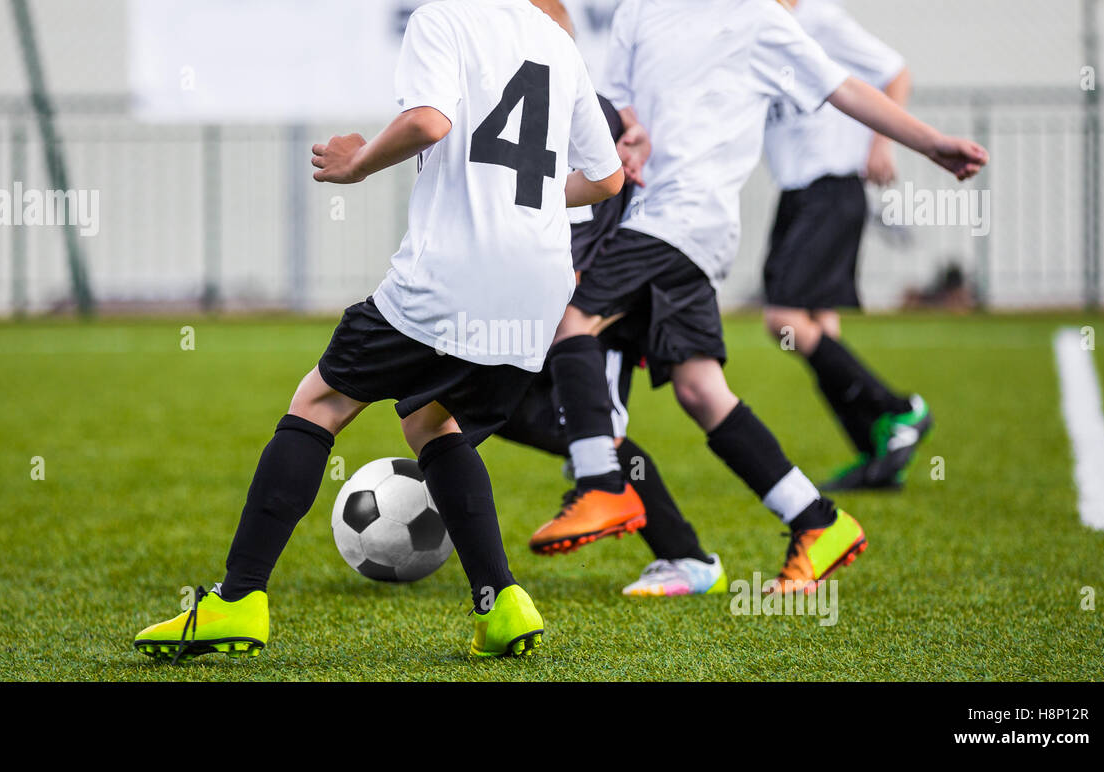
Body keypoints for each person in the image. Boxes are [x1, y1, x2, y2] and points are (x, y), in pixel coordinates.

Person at [132, 0, 624, 661]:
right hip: (537, 287)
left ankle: (236, 600)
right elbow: (606, 178)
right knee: (430, 417)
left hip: (454, 273)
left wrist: (357, 163)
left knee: (320, 401)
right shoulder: (557, 40)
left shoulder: (441, 18)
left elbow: (428, 120)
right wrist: (519, 200)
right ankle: (501, 603)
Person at [529, 0, 988, 594]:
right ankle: (817, 522)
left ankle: (601, 485)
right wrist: (631, 135)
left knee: (573, 319)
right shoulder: (638, 11)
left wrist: (928, 143)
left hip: (686, 221)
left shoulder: (757, 19)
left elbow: (845, 88)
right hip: (642, 218)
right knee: (700, 390)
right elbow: (616, 105)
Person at [496, 0, 728, 598]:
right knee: (507, 412)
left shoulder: (585, 109)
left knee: (597, 431)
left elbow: (604, 203)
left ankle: (687, 556)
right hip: (530, 307)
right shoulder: (510, 103)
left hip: (594, 309)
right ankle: (589, 481)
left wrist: (580, 278)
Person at [762, 0, 932, 491]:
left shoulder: (819, 19)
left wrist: (881, 143)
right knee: (820, 329)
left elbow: (896, 72)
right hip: (797, 194)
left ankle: (899, 410)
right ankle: (877, 452)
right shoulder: (758, 27)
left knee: (784, 321)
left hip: (831, 188)